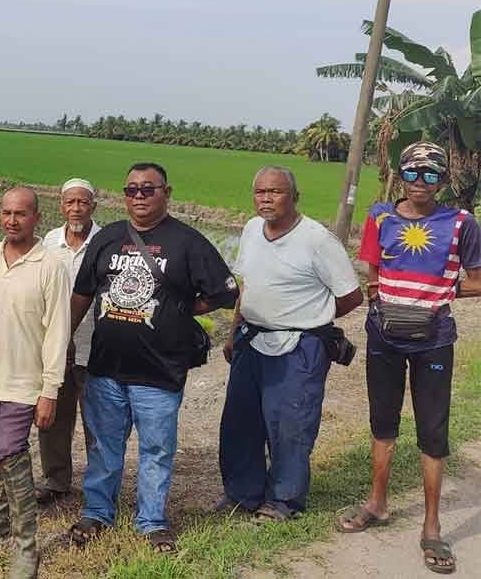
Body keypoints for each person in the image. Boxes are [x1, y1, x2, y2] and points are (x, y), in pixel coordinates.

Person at [67, 162, 238, 554]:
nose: (139, 196)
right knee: (104, 447)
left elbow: (224, 292)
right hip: (106, 368)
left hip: (159, 372)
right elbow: (82, 293)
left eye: (148, 189)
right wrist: (63, 341)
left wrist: (180, 309)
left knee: (156, 450)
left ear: (166, 192)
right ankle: (97, 512)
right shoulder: (107, 238)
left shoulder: (188, 242)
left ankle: (151, 520)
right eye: (131, 190)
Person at [337, 142, 481, 574]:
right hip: (384, 336)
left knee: (432, 429)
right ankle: (377, 503)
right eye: (414, 174)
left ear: (443, 180)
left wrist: (439, 291)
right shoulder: (379, 216)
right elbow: (374, 277)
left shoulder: (462, 222)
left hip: (434, 339)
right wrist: (387, 299)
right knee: (382, 422)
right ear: (400, 175)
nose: (421, 183)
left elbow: (478, 280)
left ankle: (432, 526)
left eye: (432, 175)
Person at [217, 166, 363, 522]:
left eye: (276, 192)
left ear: (294, 197)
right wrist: (233, 332)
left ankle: (283, 500)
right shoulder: (252, 229)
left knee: (290, 424)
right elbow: (245, 285)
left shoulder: (317, 240)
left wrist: (309, 318)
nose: (266, 199)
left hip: (300, 346)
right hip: (251, 339)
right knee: (241, 421)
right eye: (260, 192)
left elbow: (351, 296)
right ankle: (243, 493)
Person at [0, 186, 70, 579]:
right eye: (6, 213)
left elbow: (58, 332)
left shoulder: (51, 266)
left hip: (23, 383)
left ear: (37, 218)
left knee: (11, 454)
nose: (12, 220)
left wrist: (49, 390)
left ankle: (27, 547)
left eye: (20, 214)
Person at [35, 178, 100, 504]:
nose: (76, 208)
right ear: (61, 206)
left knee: (98, 422)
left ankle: (99, 487)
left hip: (97, 346)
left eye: (83, 202)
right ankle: (56, 480)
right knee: (54, 419)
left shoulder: (106, 241)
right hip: (57, 349)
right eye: (70, 202)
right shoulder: (49, 242)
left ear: (93, 207)